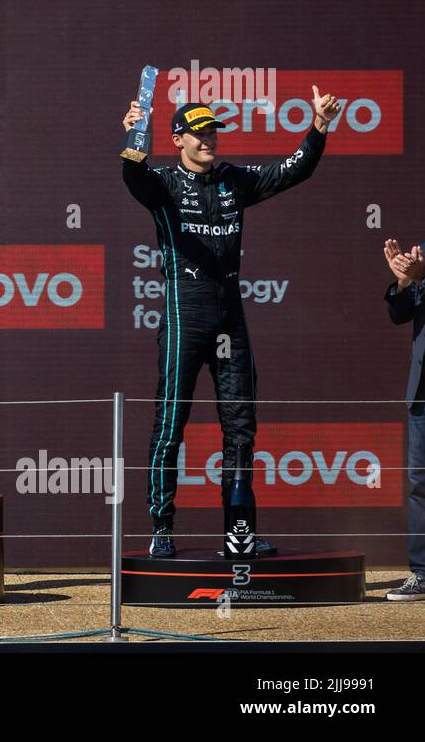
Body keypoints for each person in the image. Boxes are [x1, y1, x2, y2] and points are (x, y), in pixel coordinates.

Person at [121, 87, 341, 557]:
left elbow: (293, 170)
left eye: (212, 132)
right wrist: (136, 132)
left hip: (230, 323)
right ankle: (162, 531)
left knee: (241, 427)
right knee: (170, 426)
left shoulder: (234, 180)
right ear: (178, 138)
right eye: (198, 133)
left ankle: (238, 535)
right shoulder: (162, 184)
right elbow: (131, 176)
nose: (208, 140)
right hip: (185, 318)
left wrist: (318, 126)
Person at [383, 238, 425, 599]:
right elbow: (400, 314)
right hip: (422, 391)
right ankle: (423, 573)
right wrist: (405, 281)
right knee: (420, 485)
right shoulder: (421, 253)